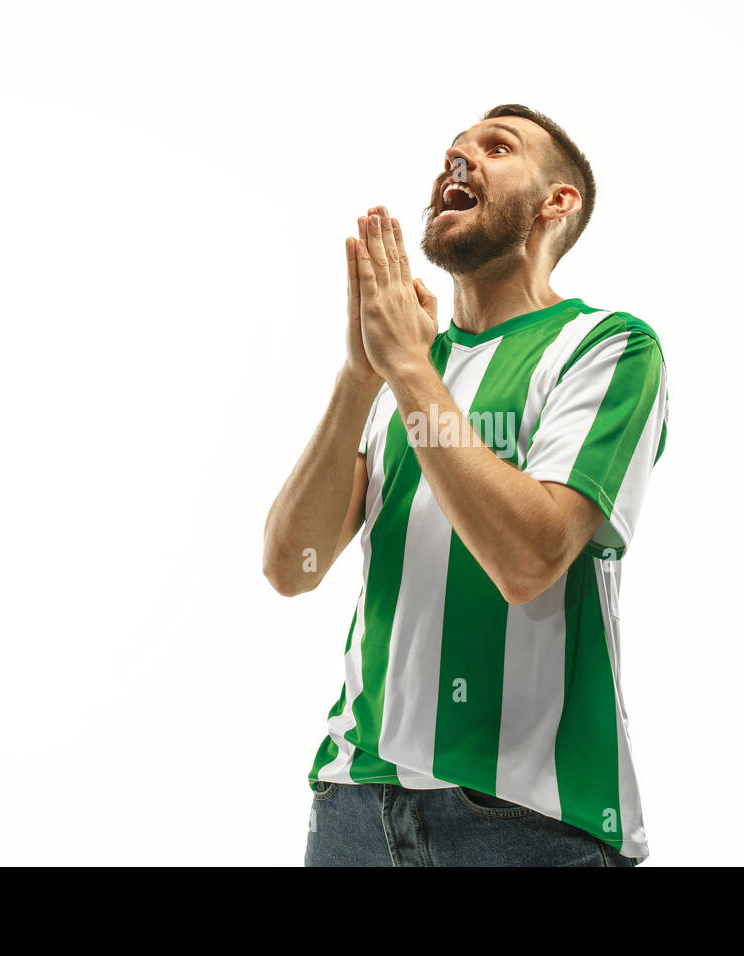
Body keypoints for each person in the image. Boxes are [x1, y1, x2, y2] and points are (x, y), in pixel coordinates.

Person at [263, 104, 669, 866]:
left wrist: (410, 372)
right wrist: (362, 375)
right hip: (355, 810)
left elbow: (529, 559)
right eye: (453, 150)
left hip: (529, 825)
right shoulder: (401, 371)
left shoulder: (606, 346)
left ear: (557, 203)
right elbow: (293, 567)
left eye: (496, 147)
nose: (460, 159)